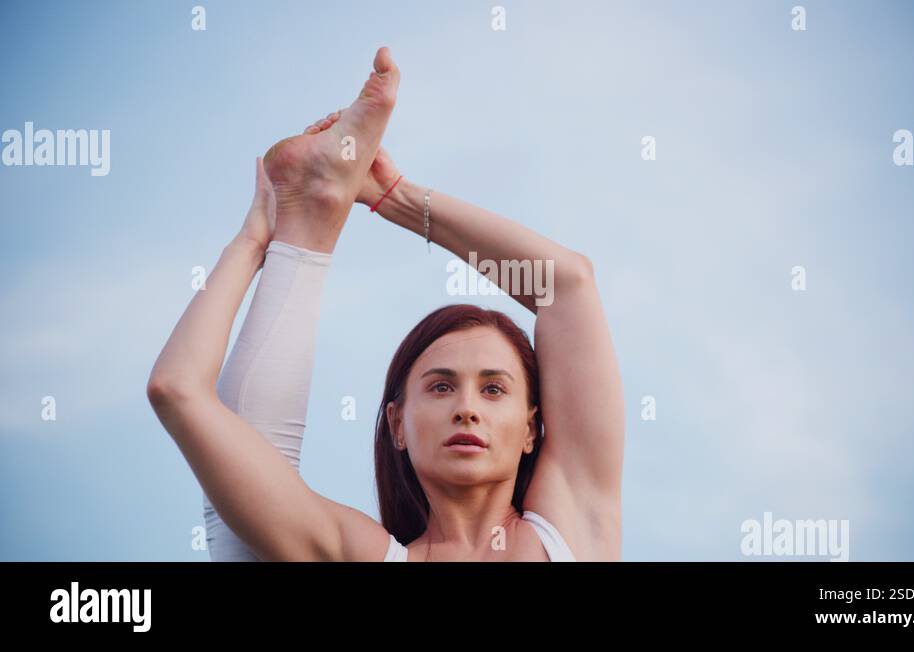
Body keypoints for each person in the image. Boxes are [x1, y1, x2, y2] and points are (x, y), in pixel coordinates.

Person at [147, 47, 624, 562]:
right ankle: (306, 227)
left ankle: (311, 221)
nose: (467, 409)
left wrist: (393, 196)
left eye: (494, 389)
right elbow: (176, 389)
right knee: (246, 540)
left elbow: (568, 284)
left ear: (532, 428)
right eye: (441, 386)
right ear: (396, 423)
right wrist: (252, 241)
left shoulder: (571, 533)